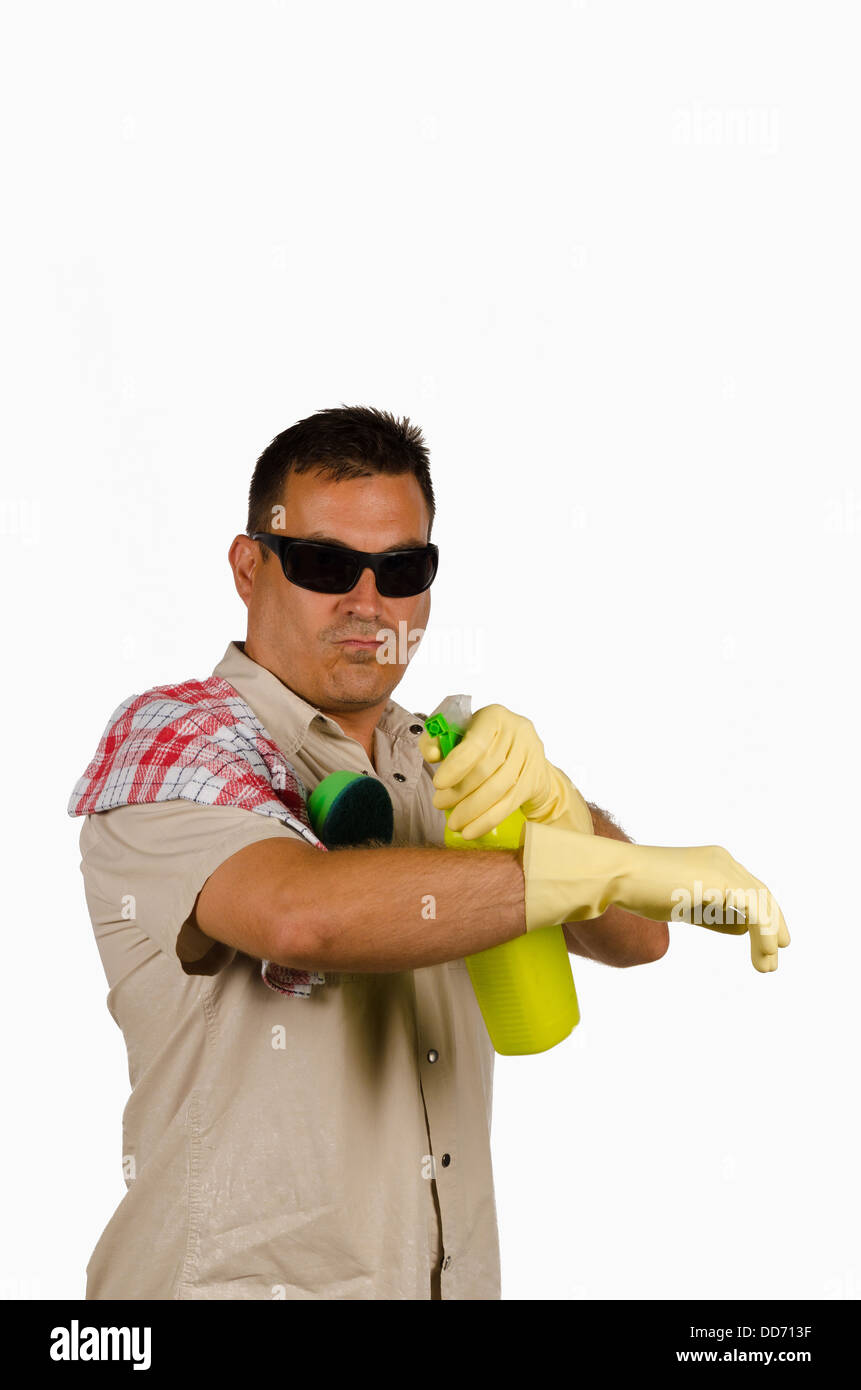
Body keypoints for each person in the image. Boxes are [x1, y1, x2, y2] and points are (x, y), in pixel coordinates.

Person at [68, 404, 788, 1301]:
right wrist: (587, 869)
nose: (368, 603)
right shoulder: (177, 737)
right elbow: (304, 915)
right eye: (326, 564)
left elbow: (637, 939)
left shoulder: (445, 759)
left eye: (400, 568)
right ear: (250, 567)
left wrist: (560, 804)